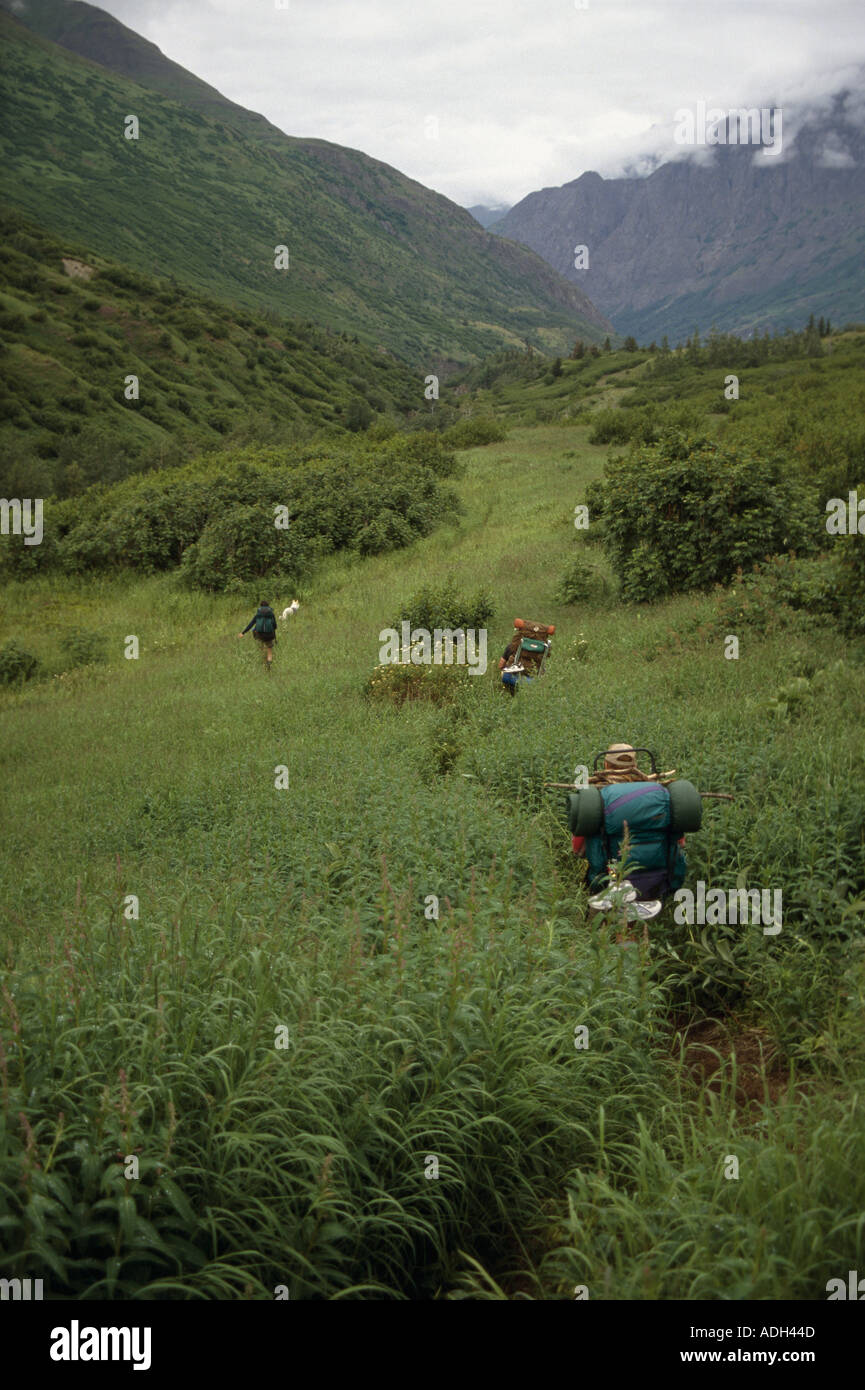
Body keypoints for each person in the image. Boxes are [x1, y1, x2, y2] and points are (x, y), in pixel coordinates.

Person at [572, 743, 687, 901]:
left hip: (613, 880)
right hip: (658, 882)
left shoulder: (597, 799)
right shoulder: (661, 794)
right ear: (635, 766)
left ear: (605, 765)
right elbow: (680, 843)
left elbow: (578, 849)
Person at [238, 600, 278, 670]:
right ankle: (268, 664)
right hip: (269, 635)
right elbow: (275, 626)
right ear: (268, 606)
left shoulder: (258, 614)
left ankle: (263, 657)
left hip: (260, 634)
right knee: (269, 650)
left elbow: (251, 624)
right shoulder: (271, 614)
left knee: (260, 642)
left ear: (261, 606)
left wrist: (243, 633)